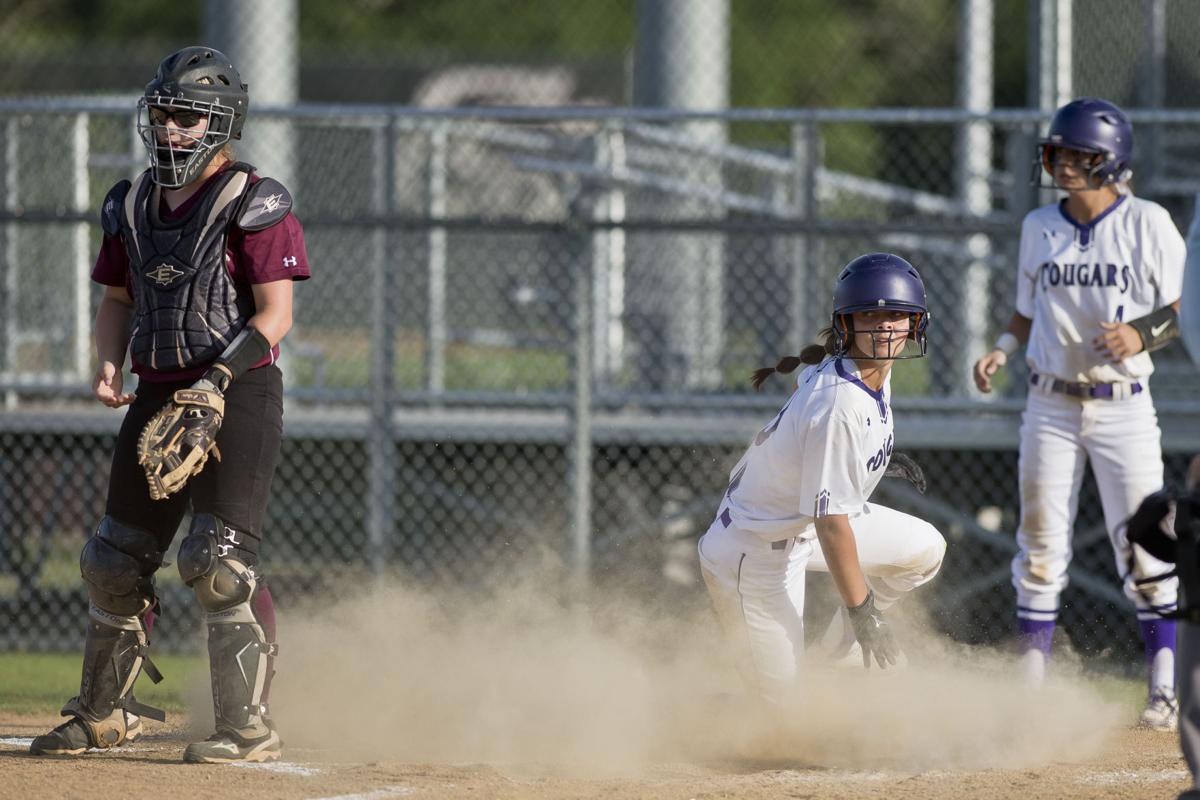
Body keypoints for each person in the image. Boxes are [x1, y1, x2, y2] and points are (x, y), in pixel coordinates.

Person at [29, 46, 310, 763]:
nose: (171, 129)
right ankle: (105, 713)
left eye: (187, 117)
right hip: (158, 393)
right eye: (163, 114)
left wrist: (216, 379)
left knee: (219, 563)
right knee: (113, 560)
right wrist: (107, 359)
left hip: (237, 391)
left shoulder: (254, 200)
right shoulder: (130, 203)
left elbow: (275, 315)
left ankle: (248, 726)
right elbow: (117, 300)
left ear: (223, 123)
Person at [971, 97, 1185, 730]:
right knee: (1039, 547)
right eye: (1058, 152)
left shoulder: (1147, 222)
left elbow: (1184, 307)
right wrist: (1002, 348)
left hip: (1124, 407)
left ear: (1110, 161)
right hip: (1050, 403)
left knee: (1147, 544)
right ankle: (1030, 691)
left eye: (1078, 154)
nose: (1063, 163)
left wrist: (1141, 334)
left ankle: (1164, 690)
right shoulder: (1040, 224)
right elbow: (1025, 311)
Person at [697, 252, 947, 708]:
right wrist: (864, 612)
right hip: (753, 550)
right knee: (784, 715)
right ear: (846, 324)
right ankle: (693, 720)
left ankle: (838, 655)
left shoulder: (861, 369)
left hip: (798, 525)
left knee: (924, 550)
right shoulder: (841, 404)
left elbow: (804, 407)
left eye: (896, 315)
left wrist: (868, 458)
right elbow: (831, 524)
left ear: (915, 324)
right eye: (868, 315)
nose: (884, 327)